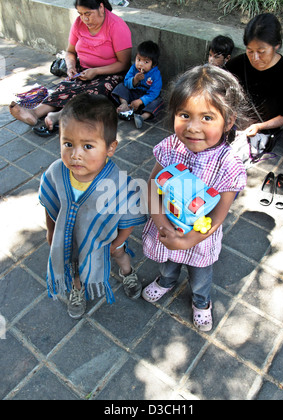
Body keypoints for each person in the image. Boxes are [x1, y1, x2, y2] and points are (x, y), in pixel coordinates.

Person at [141, 65, 248, 332]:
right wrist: (164, 226)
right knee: (168, 260)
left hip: (200, 238)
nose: (193, 127)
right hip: (166, 225)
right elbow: (153, 186)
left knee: (200, 274)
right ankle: (166, 281)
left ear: (229, 121)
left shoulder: (228, 165)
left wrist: (187, 239)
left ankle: (201, 302)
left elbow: (218, 215)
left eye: (207, 118)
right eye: (185, 115)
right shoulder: (170, 147)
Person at [39, 93, 147, 319]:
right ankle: (77, 290)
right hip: (72, 237)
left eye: (88, 146)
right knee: (75, 263)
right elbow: (51, 207)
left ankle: (127, 272)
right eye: (68, 143)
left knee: (120, 254)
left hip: (110, 239)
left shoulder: (118, 182)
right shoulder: (56, 173)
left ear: (110, 148)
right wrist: (51, 231)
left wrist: (116, 242)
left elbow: (127, 218)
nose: (75, 155)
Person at [9, 0, 132, 136]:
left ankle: (60, 115)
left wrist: (96, 71)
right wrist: (71, 66)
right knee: (67, 86)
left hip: (110, 73)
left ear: (101, 7)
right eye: (80, 14)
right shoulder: (79, 23)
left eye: (88, 14)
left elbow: (124, 64)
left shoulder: (116, 26)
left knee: (94, 93)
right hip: (84, 69)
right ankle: (35, 112)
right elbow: (70, 52)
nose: (85, 19)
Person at [226, 13, 283, 140]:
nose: (255, 58)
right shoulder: (236, 64)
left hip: (263, 134)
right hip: (233, 128)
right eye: (250, 51)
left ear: (276, 46)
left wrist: (259, 127)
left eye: (261, 52)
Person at [112, 40, 163, 129]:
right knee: (121, 86)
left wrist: (140, 101)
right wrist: (135, 80)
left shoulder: (155, 74)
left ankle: (142, 117)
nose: (140, 64)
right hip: (133, 94)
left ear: (153, 64)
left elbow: (154, 92)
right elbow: (126, 82)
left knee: (158, 101)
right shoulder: (133, 68)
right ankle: (124, 104)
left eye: (146, 62)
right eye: (138, 59)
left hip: (145, 99)